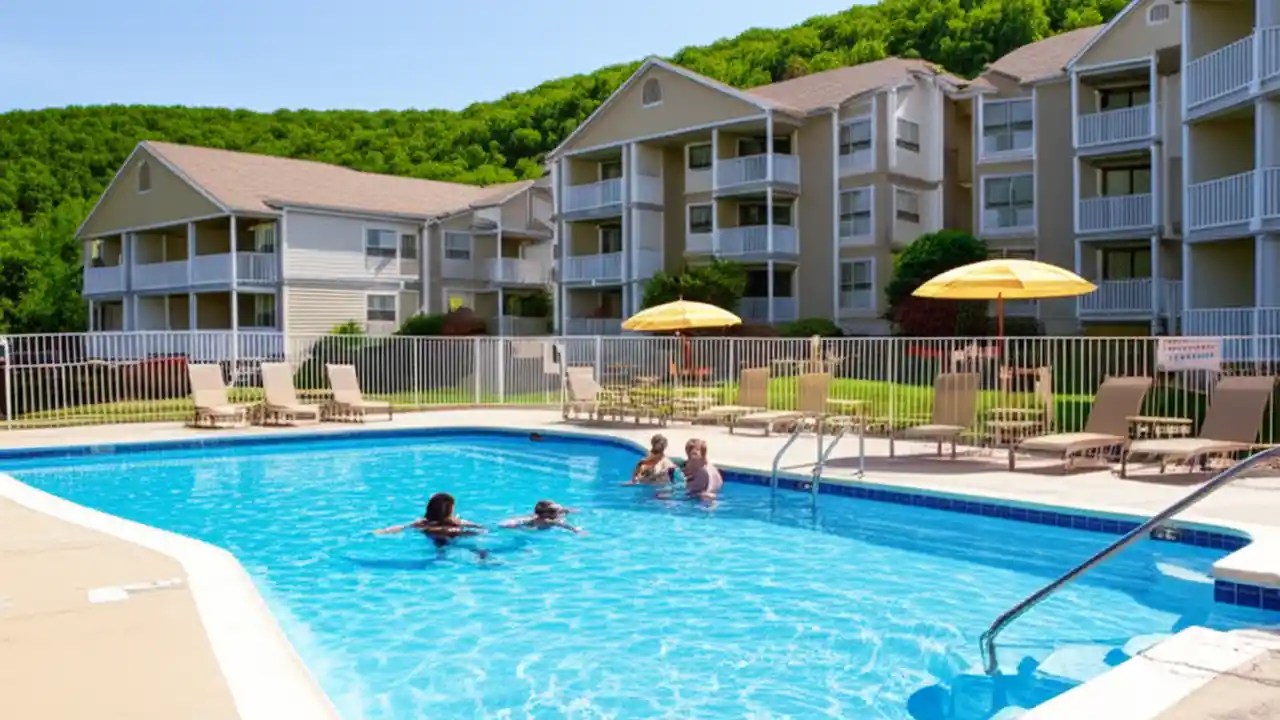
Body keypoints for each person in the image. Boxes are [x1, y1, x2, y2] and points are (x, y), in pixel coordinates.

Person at [374, 492, 488, 556]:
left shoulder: (423, 523)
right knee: (472, 547)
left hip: (434, 533)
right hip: (454, 532)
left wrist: (384, 531)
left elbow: (402, 527)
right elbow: (480, 528)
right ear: (450, 510)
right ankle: (483, 557)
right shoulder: (456, 522)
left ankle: (440, 554)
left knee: (440, 544)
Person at [499, 500, 585, 534]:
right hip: (531, 527)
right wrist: (577, 530)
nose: (558, 513)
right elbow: (564, 525)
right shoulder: (547, 521)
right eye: (555, 511)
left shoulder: (536, 517)